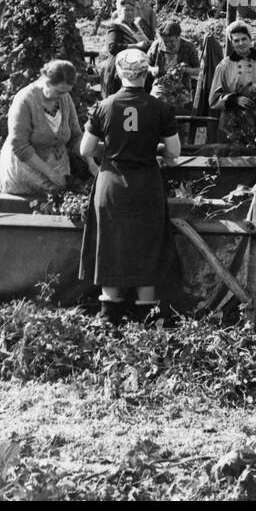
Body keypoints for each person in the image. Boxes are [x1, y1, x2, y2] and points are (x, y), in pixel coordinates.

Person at [79, 49, 182, 327]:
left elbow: (86, 148)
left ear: (119, 73)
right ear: (146, 74)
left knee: (111, 243)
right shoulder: (160, 108)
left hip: (112, 183)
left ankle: (109, 316)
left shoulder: (104, 106)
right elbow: (173, 151)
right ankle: (146, 314)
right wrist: (149, 146)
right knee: (146, 244)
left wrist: (113, 147)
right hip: (146, 185)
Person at [0, 60, 97, 196]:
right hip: (24, 175)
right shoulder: (25, 100)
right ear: (47, 82)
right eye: (59, 91)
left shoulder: (65, 98)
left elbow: (75, 137)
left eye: (66, 92)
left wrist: (90, 161)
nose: (62, 96)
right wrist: (50, 172)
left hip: (57, 172)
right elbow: (20, 146)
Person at [208, 20, 256, 146]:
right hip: (231, 123)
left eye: (244, 39)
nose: (241, 43)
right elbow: (213, 99)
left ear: (250, 39)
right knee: (232, 158)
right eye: (236, 41)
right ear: (231, 42)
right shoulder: (224, 66)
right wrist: (234, 100)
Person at [101, 0, 154, 97]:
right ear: (120, 12)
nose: (130, 13)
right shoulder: (115, 26)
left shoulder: (136, 26)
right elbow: (112, 47)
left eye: (132, 10)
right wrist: (136, 46)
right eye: (126, 10)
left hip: (138, 64)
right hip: (120, 65)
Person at [149, 19, 201, 113]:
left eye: (171, 41)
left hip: (182, 89)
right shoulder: (157, 45)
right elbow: (146, 65)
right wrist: (153, 70)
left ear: (178, 37)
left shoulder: (188, 47)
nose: (168, 44)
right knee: (154, 111)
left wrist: (185, 69)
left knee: (181, 117)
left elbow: (199, 71)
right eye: (165, 41)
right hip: (161, 87)